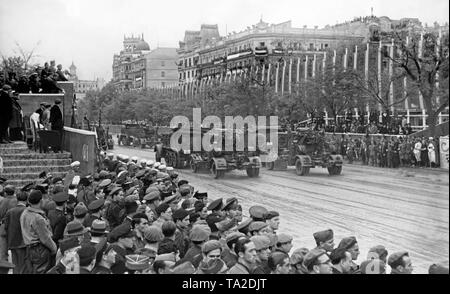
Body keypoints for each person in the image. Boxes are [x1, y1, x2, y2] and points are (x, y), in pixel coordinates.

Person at [20, 190, 57, 273]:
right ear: (41, 201)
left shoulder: (25, 213)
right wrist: (54, 248)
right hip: (40, 249)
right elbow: (45, 238)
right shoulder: (37, 217)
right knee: (42, 271)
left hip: (30, 248)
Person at [2, 190, 28, 274]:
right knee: (23, 266)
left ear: (17, 199)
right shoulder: (27, 211)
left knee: (15, 265)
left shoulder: (10, 211)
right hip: (23, 242)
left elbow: (5, 226)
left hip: (12, 241)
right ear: (26, 200)